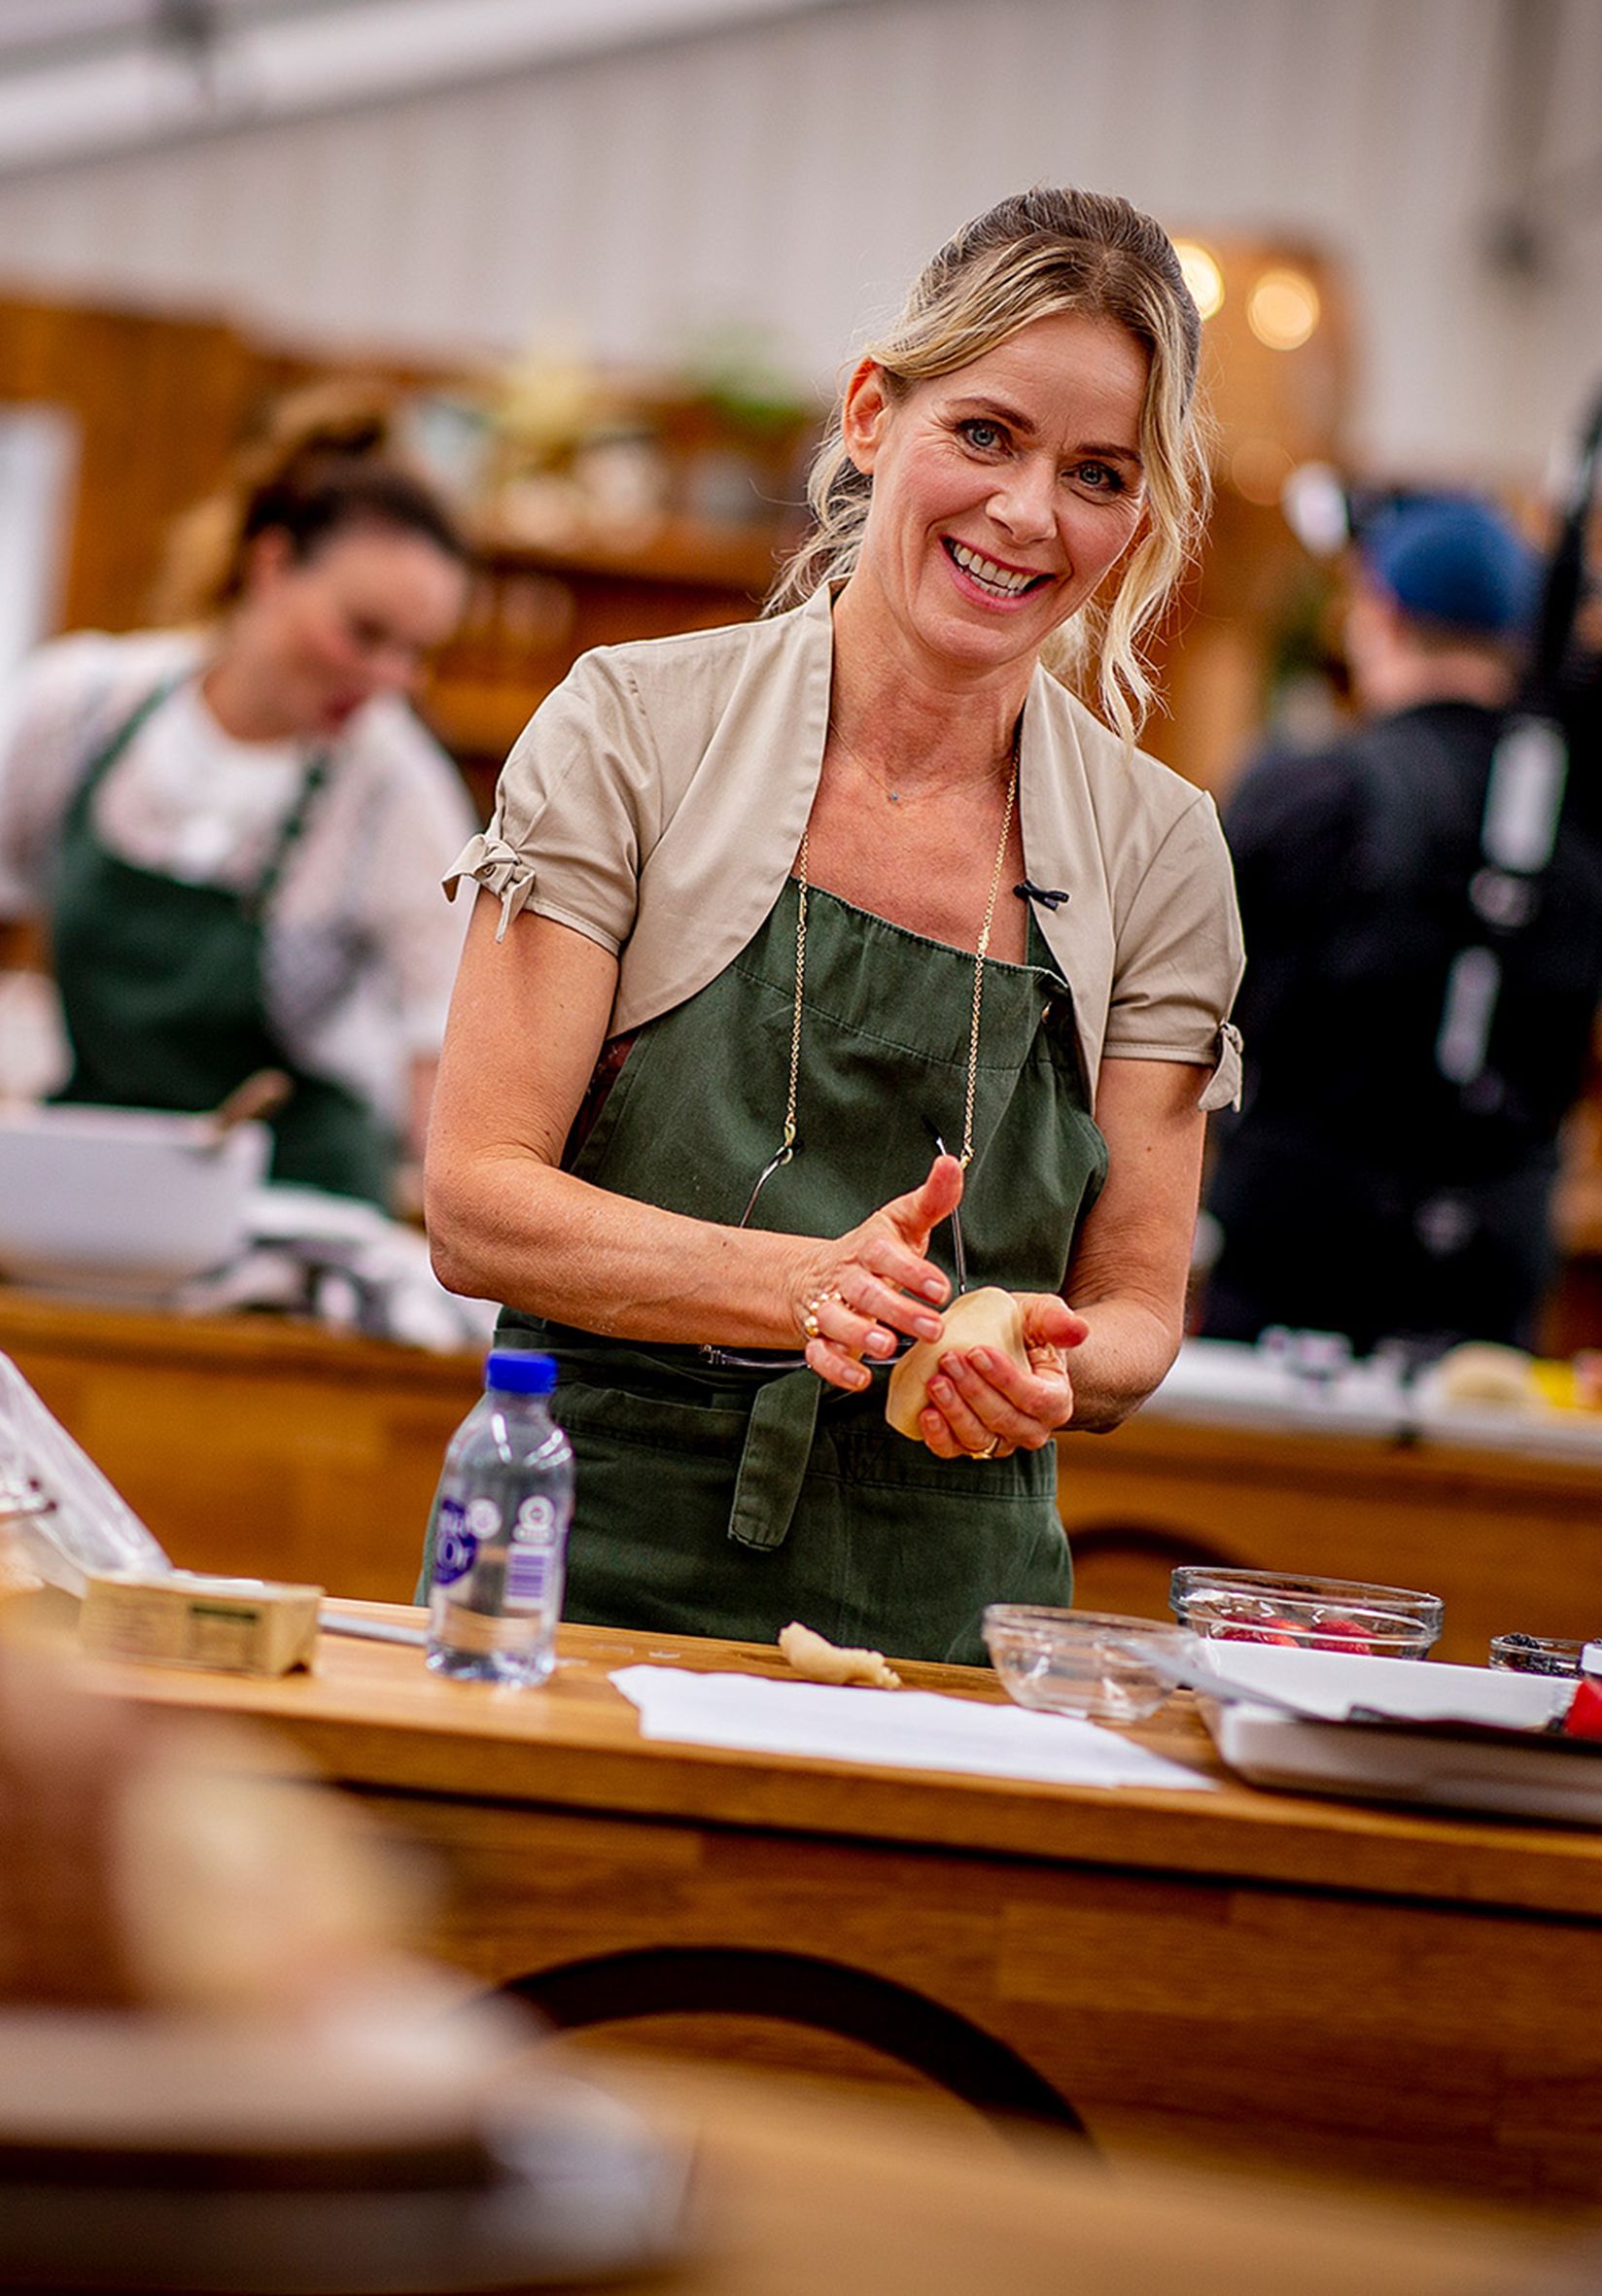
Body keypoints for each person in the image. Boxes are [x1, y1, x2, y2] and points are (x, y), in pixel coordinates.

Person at [423, 190, 1239, 1664]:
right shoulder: (632, 731)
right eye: (985, 433)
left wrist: (1056, 1366)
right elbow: (476, 1199)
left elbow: (1134, 1309)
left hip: (958, 1617)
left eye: (1098, 473)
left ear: (1141, 519)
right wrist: (798, 1281)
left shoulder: (1163, 852)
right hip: (596, 1581)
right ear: (874, 413)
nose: (1027, 514)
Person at [0, 395, 474, 1203]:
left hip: (289, 1207)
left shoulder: (398, 793)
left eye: (416, 653)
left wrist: (454, 1217)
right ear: (271, 566)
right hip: (90, 1173)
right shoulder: (80, 710)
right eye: (366, 633)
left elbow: (441, 1047)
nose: (391, 680)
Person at [1201, 495, 1602, 1351]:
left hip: (1295, 1270)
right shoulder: (1581, 827)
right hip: (1493, 1274)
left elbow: (1194, 1020)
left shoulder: (1312, 792)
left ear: (1378, 616)